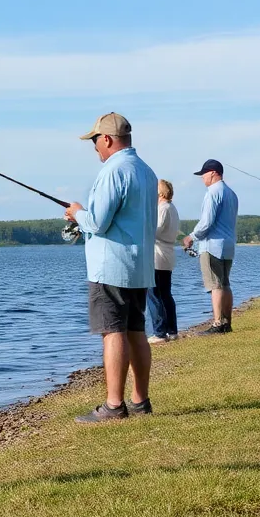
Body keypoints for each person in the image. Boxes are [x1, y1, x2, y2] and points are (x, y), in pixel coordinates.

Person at [63, 112, 158, 423]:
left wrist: (77, 212)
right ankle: (140, 402)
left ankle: (114, 406)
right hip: (139, 267)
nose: (94, 148)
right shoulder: (147, 172)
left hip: (111, 267)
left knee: (113, 332)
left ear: (107, 139)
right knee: (136, 331)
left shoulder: (112, 171)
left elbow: (97, 222)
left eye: (94, 141)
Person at [183, 159, 239, 334]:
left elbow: (207, 222)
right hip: (228, 245)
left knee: (215, 285)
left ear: (213, 173)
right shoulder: (231, 193)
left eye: (204, 174)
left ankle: (217, 324)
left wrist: (191, 236)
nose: (202, 178)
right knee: (225, 284)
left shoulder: (213, 192)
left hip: (212, 245)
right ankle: (227, 323)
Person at [147, 179, 180, 343]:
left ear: (160, 193)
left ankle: (159, 332)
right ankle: (172, 329)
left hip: (157, 254)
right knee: (165, 293)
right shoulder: (172, 208)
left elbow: (156, 229)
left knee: (154, 294)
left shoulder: (163, 208)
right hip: (167, 254)